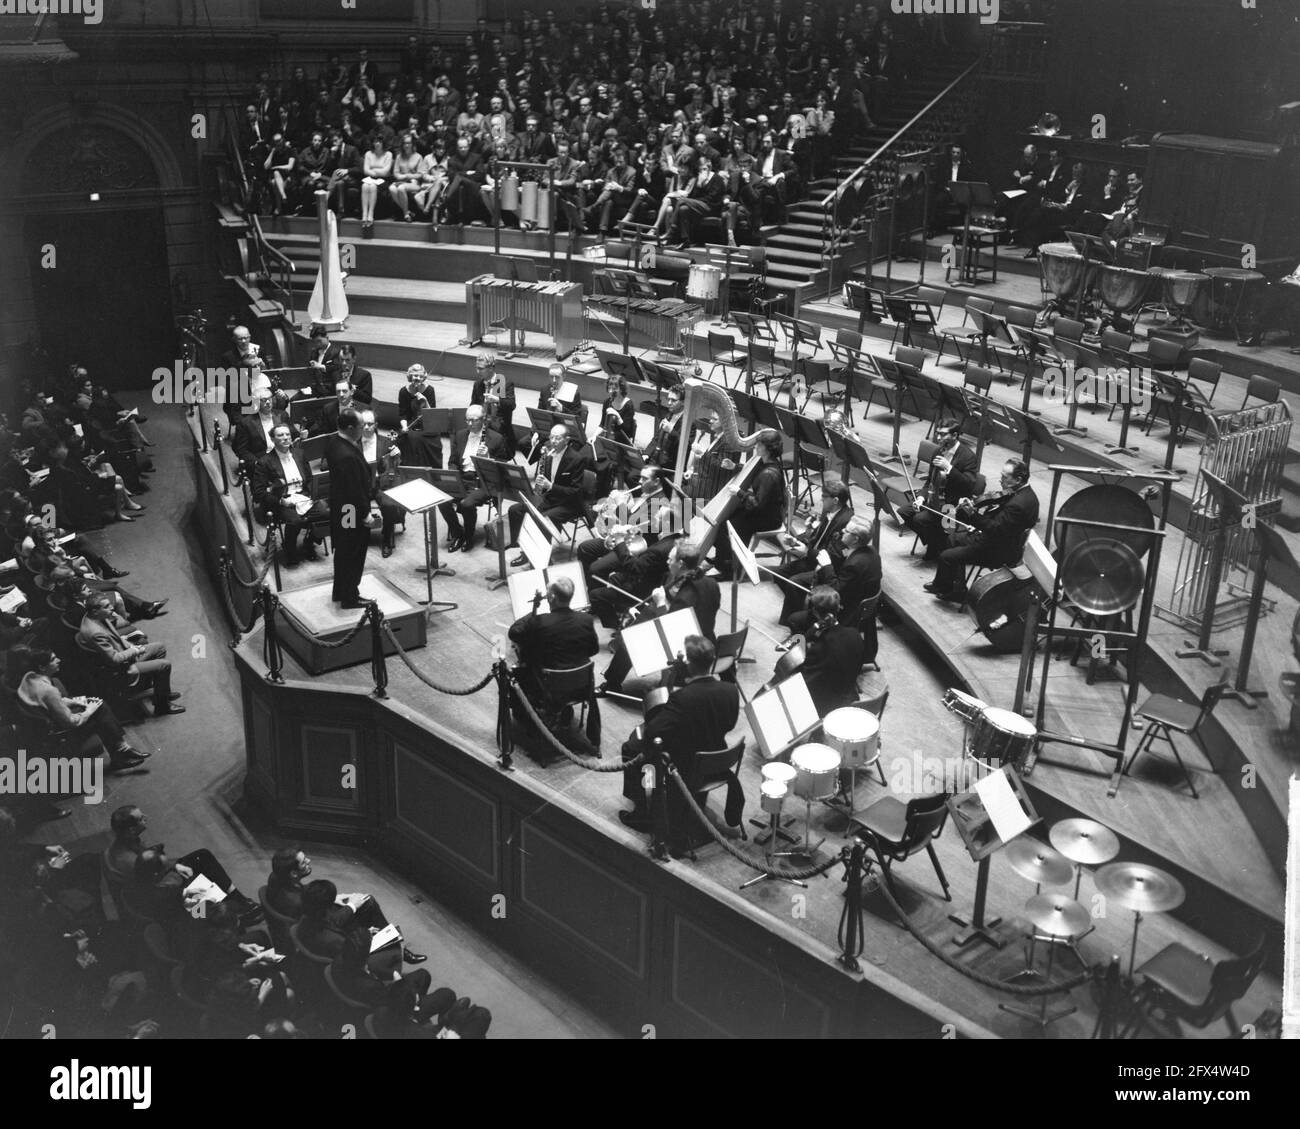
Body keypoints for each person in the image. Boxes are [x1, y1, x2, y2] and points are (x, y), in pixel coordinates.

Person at [618, 634, 740, 835]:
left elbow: (653, 732)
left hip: (687, 764)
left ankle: (642, 813)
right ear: (712, 661)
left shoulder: (682, 698)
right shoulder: (730, 690)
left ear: (690, 664)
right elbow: (729, 724)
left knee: (632, 749)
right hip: (717, 759)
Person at [598, 539, 719, 699]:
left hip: (684, 649)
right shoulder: (711, 583)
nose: (667, 562)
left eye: (670, 559)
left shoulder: (684, 598)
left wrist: (661, 603)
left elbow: (669, 632)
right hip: (706, 639)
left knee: (630, 640)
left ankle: (611, 686)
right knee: (641, 622)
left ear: (681, 563)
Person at [926, 457, 1039, 605]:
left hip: (997, 550)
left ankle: (953, 590)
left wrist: (973, 515)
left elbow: (995, 529)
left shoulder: (1018, 504)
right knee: (952, 539)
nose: (1000, 481)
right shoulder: (1023, 493)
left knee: (946, 556)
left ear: (1018, 479)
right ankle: (953, 587)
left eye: (1005, 477)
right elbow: (1001, 522)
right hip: (999, 540)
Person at [17, 648, 148, 772]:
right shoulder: (49, 691)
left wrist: (75, 701)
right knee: (100, 709)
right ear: (42, 667)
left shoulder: (29, 677)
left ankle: (121, 751)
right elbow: (71, 722)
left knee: (97, 705)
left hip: (41, 726)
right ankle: (121, 751)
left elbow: (45, 701)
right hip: (60, 733)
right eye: (53, 659)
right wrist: (89, 711)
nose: (59, 660)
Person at [76, 594, 185, 715]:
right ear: (95, 611)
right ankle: (162, 706)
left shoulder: (95, 616)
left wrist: (130, 646)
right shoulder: (94, 632)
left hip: (123, 652)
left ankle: (160, 692)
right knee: (164, 665)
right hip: (121, 668)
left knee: (159, 648)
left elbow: (115, 637)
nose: (112, 607)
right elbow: (114, 659)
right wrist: (135, 651)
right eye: (107, 606)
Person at [507, 425, 593, 564]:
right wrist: (541, 485)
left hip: (569, 503)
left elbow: (575, 492)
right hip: (549, 498)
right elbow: (545, 482)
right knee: (516, 510)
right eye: (551, 437)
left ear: (567, 440)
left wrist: (551, 486)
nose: (553, 441)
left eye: (557, 438)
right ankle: (524, 548)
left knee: (544, 519)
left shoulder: (577, 459)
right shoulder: (548, 453)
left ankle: (543, 558)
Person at [896, 418, 980, 561]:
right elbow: (930, 480)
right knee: (903, 511)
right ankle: (937, 543)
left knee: (919, 520)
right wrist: (921, 497)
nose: (939, 438)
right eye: (938, 434)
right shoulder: (937, 451)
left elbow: (969, 486)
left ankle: (936, 546)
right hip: (933, 498)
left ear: (955, 435)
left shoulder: (968, 457)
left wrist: (949, 468)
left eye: (943, 434)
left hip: (952, 505)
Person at [773, 479, 854, 618]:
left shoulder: (846, 520)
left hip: (826, 567)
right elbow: (817, 536)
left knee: (794, 582)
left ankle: (796, 620)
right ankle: (800, 607)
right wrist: (796, 540)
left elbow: (832, 555)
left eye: (824, 497)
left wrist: (806, 550)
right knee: (779, 574)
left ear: (835, 500)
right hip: (813, 558)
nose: (821, 500)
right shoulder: (830, 511)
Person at [712, 429, 786, 574]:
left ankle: (728, 568)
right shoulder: (766, 462)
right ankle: (723, 560)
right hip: (763, 511)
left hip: (767, 518)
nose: (755, 447)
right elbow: (751, 472)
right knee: (728, 519)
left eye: (758, 445)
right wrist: (735, 467)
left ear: (767, 448)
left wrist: (739, 493)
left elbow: (757, 504)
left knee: (727, 526)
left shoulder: (769, 475)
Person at [252, 423, 326, 566]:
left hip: (303, 496)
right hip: (282, 501)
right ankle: (290, 548)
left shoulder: (299, 453)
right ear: (273, 439)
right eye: (280, 435)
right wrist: (280, 501)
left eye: (287, 435)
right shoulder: (264, 462)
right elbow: (258, 492)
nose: (286, 438)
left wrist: (311, 494)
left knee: (326, 512)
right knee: (296, 520)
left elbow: (309, 478)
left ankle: (309, 542)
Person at [323, 407, 375, 607]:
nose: (364, 428)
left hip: (343, 509)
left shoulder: (334, 442)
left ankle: (341, 591)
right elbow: (354, 491)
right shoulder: (347, 456)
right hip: (352, 510)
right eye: (362, 425)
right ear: (351, 427)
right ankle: (349, 597)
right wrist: (366, 514)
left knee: (344, 549)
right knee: (353, 550)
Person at [439, 404, 509, 552]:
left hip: (483, 482)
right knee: (441, 500)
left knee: (466, 504)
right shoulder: (460, 435)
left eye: (474, 420)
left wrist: (488, 457)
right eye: (467, 420)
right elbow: (452, 461)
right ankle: (458, 533)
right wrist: (453, 476)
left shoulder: (496, 439)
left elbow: (503, 467)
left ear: (484, 420)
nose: (470, 424)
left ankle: (469, 537)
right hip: (462, 478)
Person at [796, 586, 865, 715]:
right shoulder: (855, 634)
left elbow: (806, 682)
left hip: (825, 706)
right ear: (838, 608)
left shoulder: (820, 648)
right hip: (848, 695)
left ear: (816, 613)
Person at [231, 392, 293, 470]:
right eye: (263, 400)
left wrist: (300, 436)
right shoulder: (245, 423)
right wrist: (258, 463)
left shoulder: (283, 415)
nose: (268, 402)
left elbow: (294, 433)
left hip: (284, 456)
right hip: (263, 461)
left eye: (269, 399)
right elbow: (242, 450)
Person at [470, 354, 517, 455]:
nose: (478, 372)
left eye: (481, 368)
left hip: (499, 430)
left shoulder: (505, 383)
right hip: (481, 427)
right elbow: (472, 406)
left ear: (491, 368)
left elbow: (511, 405)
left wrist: (497, 399)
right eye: (476, 368)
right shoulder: (478, 384)